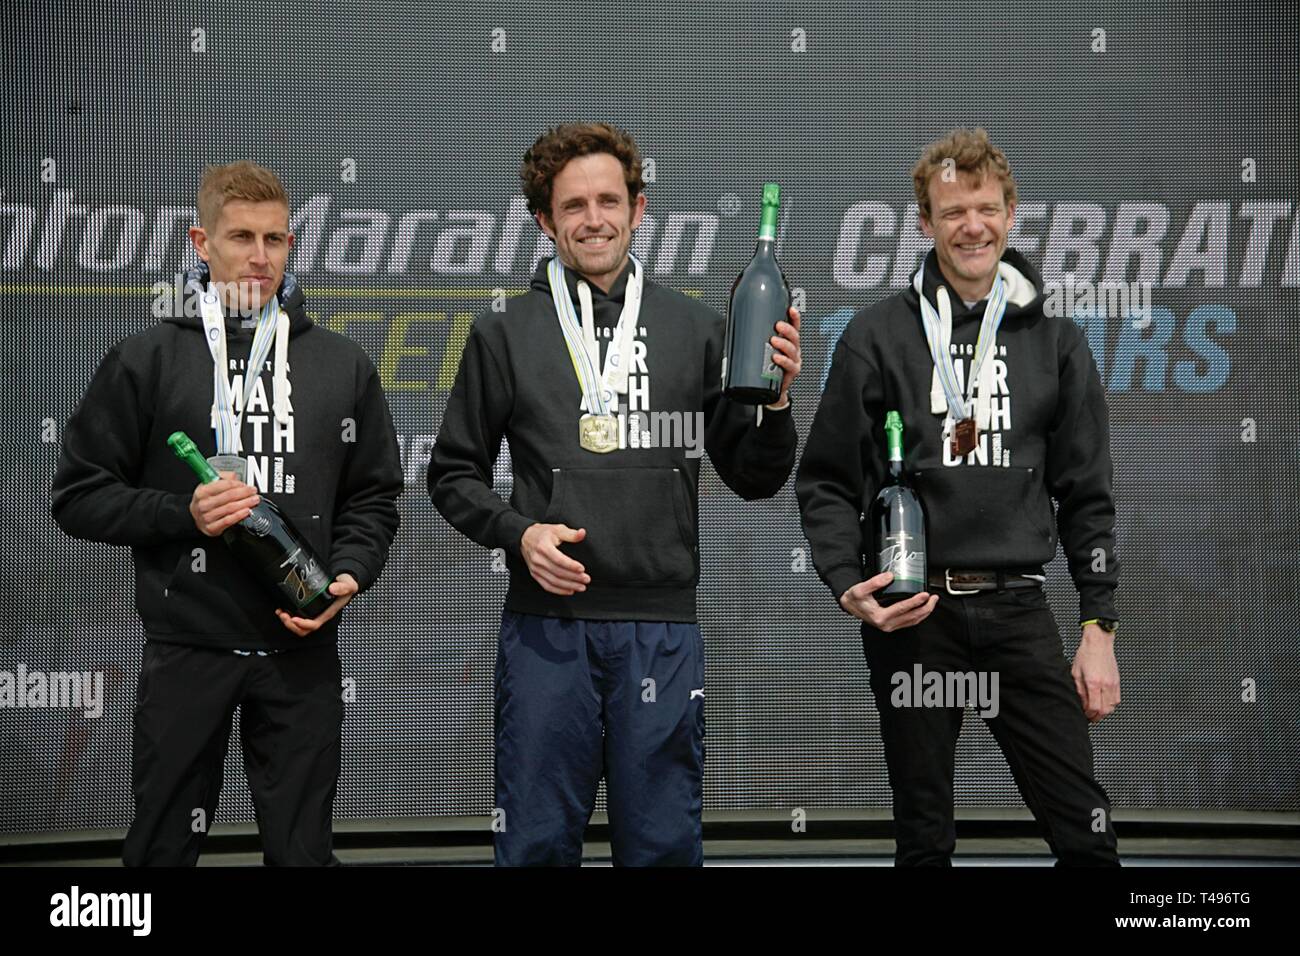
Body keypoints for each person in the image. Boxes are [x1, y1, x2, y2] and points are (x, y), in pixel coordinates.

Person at [428, 122, 801, 866]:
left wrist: (777, 405)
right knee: (533, 845)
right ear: (545, 221)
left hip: (660, 632)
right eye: (572, 206)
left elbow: (754, 477)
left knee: (661, 848)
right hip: (546, 636)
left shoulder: (697, 327)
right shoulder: (505, 331)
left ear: (639, 207)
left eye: (608, 200)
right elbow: (451, 475)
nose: (592, 219)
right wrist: (519, 534)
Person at [51, 161, 402, 866]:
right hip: (188, 649)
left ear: (292, 242)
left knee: (303, 855)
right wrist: (185, 511)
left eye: (275, 238)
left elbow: (374, 496)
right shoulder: (146, 360)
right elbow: (77, 496)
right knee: (160, 852)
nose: (259, 256)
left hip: (301, 648)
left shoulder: (342, 365)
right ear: (200, 242)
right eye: (241, 236)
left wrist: (350, 576)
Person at [796, 128, 1121, 866]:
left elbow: (1088, 496)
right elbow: (824, 480)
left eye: (985, 208)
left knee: (1083, 827)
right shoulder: (876, 337)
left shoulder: (1058, 343)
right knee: (924, 836)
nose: (971, 227)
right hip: (915, 617)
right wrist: (848, 584)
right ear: (924, 223)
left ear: (1011, 213)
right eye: (951, 213)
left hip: (1017, 613)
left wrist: (1099, 624)